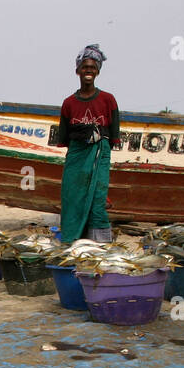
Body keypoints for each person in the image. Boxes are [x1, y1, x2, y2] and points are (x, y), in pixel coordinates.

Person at [58, 45, 121, 243]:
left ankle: (99, 245)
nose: (88, 71)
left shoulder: (108, 100)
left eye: (92, 68)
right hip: (77, 157)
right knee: (72, 199)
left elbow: (112, 136)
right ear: (78, 70)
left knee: (97, 201)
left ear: (98, 71)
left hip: (99, 155)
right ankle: (72, 242)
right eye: (85, 67)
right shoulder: (68, 103)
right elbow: (66, 138)